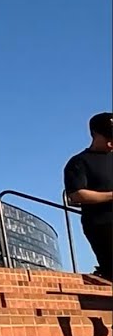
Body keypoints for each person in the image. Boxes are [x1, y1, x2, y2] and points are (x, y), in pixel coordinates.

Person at [64, 112, 113, 284]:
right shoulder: (79, 162)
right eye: (108, 136)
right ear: (95, 134)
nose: (111, 141)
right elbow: (77, 194)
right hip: (102, 224)